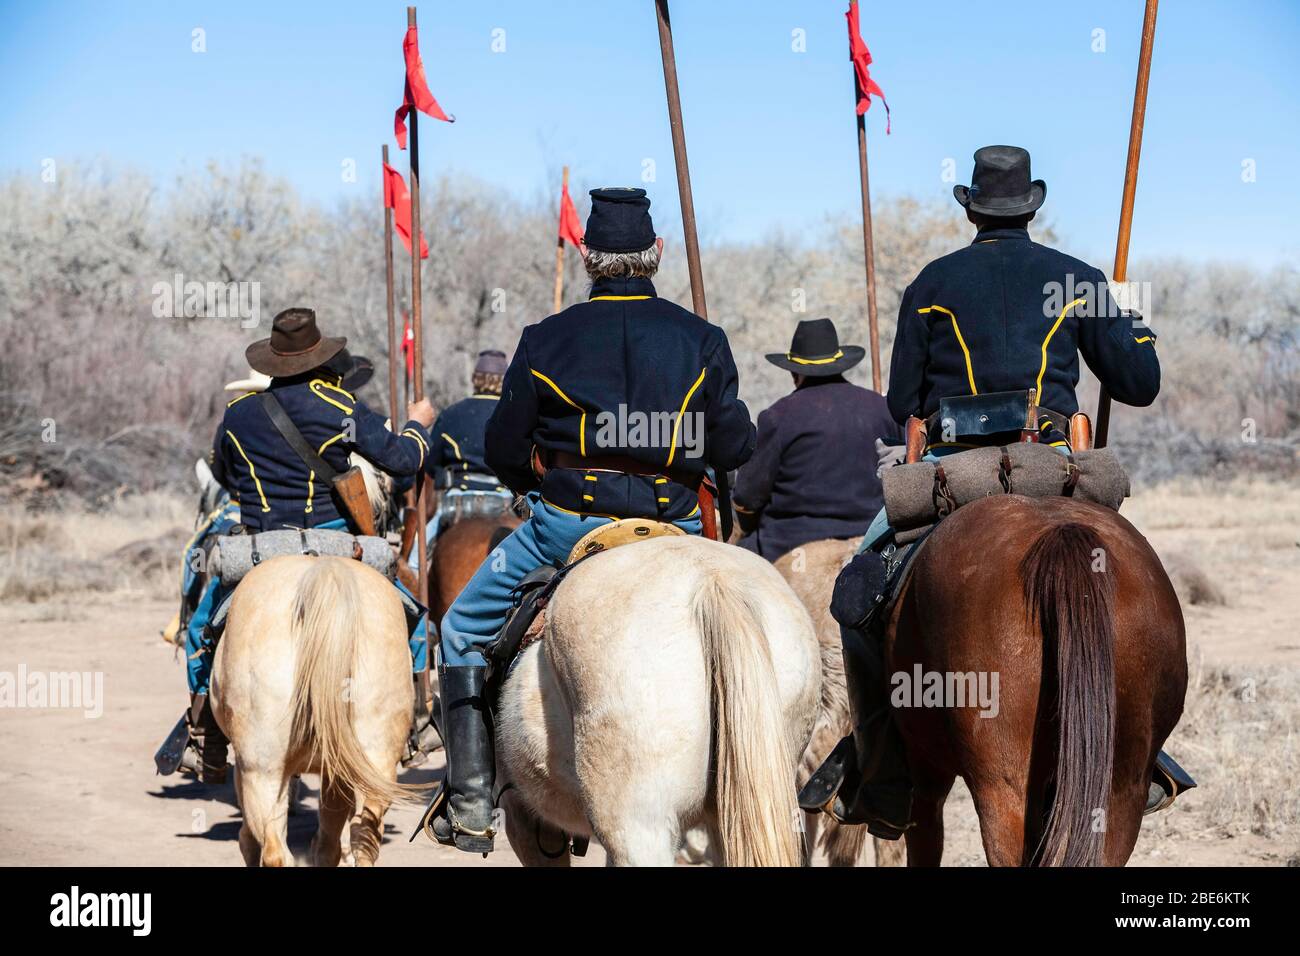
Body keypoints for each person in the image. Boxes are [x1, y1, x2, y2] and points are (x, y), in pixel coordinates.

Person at [802, 146, 1183, 837]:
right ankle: (1145, 753)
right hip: (1055, 466)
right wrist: (1128, 321)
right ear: (1032, 206)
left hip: (957, 473)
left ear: (971, 207)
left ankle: (879, 767)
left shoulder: (934, 282)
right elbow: (1141, 381)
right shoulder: (1078, 279)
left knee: (859, 594)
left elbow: (899, 405)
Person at [429, 187, 756, 854]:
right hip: (675, 530)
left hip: (567, 526)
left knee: (461, 628)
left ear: (587, 258)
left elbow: (502, 449)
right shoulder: (701, 339)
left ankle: (468, 801)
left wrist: (532, 486)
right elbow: (734, 450)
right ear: (657, 253)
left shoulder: (546, 338)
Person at [173, 308, 435, 783]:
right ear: (320, 357)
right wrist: (417, 424)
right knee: (409, 615)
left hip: (258, 549)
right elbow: (402, 462)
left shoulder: (238, 414)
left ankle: (204, 735)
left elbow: (227, 476)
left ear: (273, 361)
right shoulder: (340, 406)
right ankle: (416, 719)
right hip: (339, 545)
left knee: (201, 629)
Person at [733, 318, 898, 562]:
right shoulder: (882, 408)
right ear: (841, 364)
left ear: (793, 372)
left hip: (790, 545)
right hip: (871, 540)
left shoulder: (778, 416)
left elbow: (747, 499)